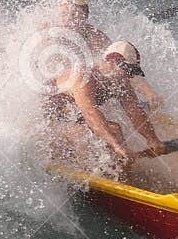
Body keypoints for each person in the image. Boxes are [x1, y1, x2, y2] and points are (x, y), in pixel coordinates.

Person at [42, 35, 167, 171]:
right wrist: (117, 146)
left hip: (74, 116)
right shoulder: (85, 77)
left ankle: (121, 176)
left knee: (115, 131)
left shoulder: (120, 80)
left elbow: (134, 111)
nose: (130, 76)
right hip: (49, 121)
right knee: (99, 134)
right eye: (129, 71)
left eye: (133, 72)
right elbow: (90, 113)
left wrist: (152, 138)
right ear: (113, 62)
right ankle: (87, 173)